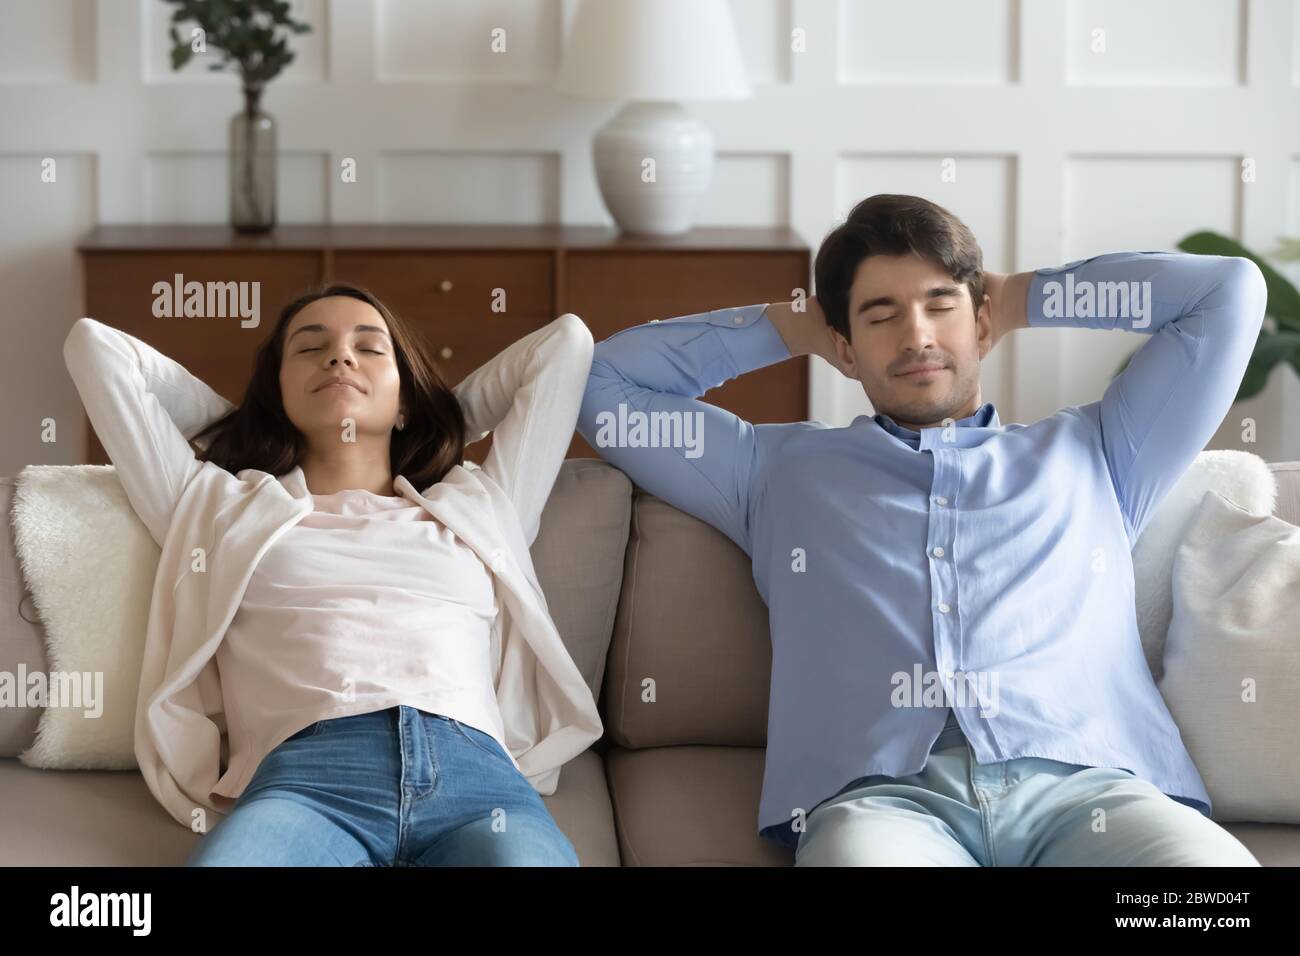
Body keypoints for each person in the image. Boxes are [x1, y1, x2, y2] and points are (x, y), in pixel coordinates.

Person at [576, 193, 1265, 866]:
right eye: (881, 315)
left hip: (1095, 793)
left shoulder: (1101, 451)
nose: (918, 336)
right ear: (843, 349)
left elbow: (1228, 293)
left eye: (941, 304)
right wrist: (793, 325)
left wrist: (1024, 298)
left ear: (980, 323)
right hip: (883, 809)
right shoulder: (773, 470)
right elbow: (599, 386)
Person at [63, 284, 601, 866]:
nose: (340, 357)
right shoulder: (219, 509)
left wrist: (433, 416)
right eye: (310, 349)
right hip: (306, 786)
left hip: (476, 784)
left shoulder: (479, 507)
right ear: (278, 390)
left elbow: (565, 344)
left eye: (370, 349)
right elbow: (94, 348)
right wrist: (248, 418)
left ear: (404, 398)